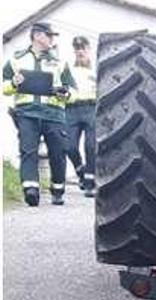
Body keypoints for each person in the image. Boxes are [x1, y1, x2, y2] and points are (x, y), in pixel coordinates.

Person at [2, 22, 74, 206]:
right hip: (27, 113)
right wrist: (14, 84)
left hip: (54, 114)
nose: (51, 39)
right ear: (37, 36)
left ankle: (58, 190)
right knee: (28, 151)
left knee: (58, 153)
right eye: (49, 35)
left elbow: (73, 90)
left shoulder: (60, 62)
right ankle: (31, 190)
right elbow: (3, 86)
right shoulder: (16, 59)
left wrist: (65, 93)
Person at [66, 35, 96, 197]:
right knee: (69, 146)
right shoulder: (67, 70)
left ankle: (90, 183)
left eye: (83, 48)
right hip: (71, 109)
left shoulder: (96, 70)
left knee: (91, 146)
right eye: (77, 48)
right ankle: (81, 172)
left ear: (89, 50)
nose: (80, 51)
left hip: (91, 108)